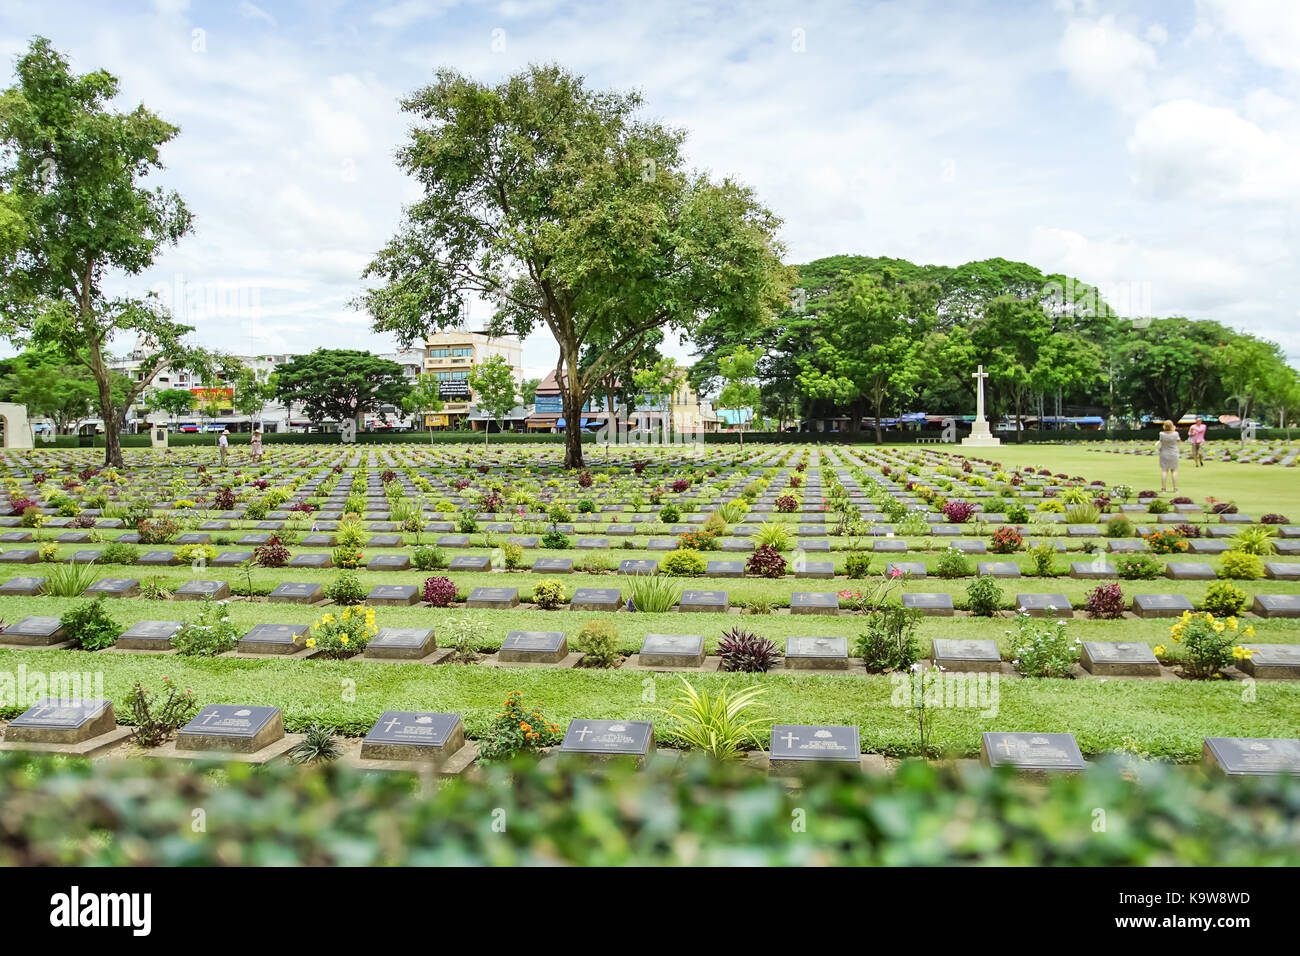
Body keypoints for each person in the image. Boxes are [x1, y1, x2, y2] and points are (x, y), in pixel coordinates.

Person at [1156, 419, 1181, 492]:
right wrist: (1174, 430)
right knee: (1174, 471)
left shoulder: (1161, 434)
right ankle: (1175, 488)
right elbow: (1179, 441)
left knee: (1164, 471)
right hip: (1173, 453)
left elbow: (1161, 442)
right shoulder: (1176, 434)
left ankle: (1163, 488)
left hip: (1164, 453)